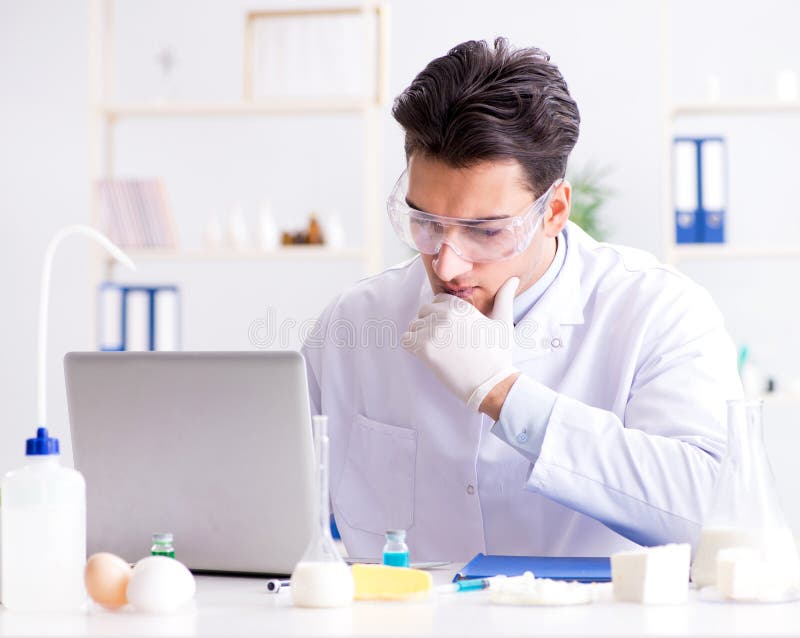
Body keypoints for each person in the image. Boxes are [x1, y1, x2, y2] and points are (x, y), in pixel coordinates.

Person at [302, 38, 742, 562]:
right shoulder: (353, 323)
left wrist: (503, 394)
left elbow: (708, 512)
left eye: (485, 232)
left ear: (554, 210)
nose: (446, 264)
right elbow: (267, 509)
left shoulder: (658, 311)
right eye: (425, 222)